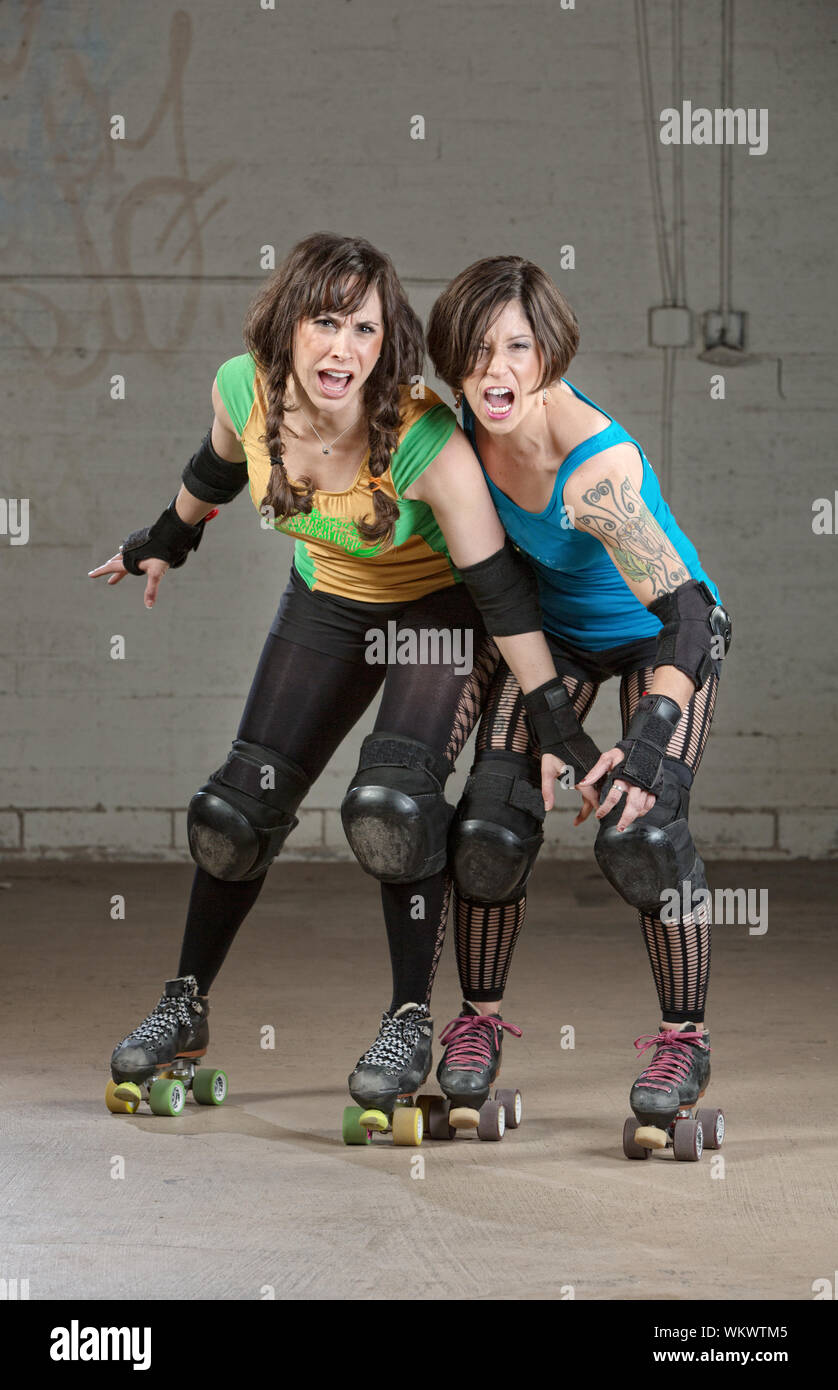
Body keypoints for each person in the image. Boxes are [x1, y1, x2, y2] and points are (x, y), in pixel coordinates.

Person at [91, 232, 565, 1128]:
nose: (343, 348)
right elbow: (219, 464)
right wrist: (169, 536)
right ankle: (186, 1000)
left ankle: (407, 1018)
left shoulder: (425, 437)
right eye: (325, 322)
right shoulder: (245, 386)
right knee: (232, 815)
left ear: (388, 344)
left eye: (365, 329)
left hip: (438, 612)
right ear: (287, 325)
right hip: (329, 602)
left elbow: (500, 591)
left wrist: (554, 716)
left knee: (392, 808)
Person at [426, 256, 732, 1156]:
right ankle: (477, 1023)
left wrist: (647, 742)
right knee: (488, 828)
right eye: (478, 351)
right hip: (554, 643)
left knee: (640, 833)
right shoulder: (465, 441)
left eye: (517, 347)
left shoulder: (598, 466)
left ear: (549, 353)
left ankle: (685, 1042)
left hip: (661, 640)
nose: (497, 372)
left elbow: (687, 616)